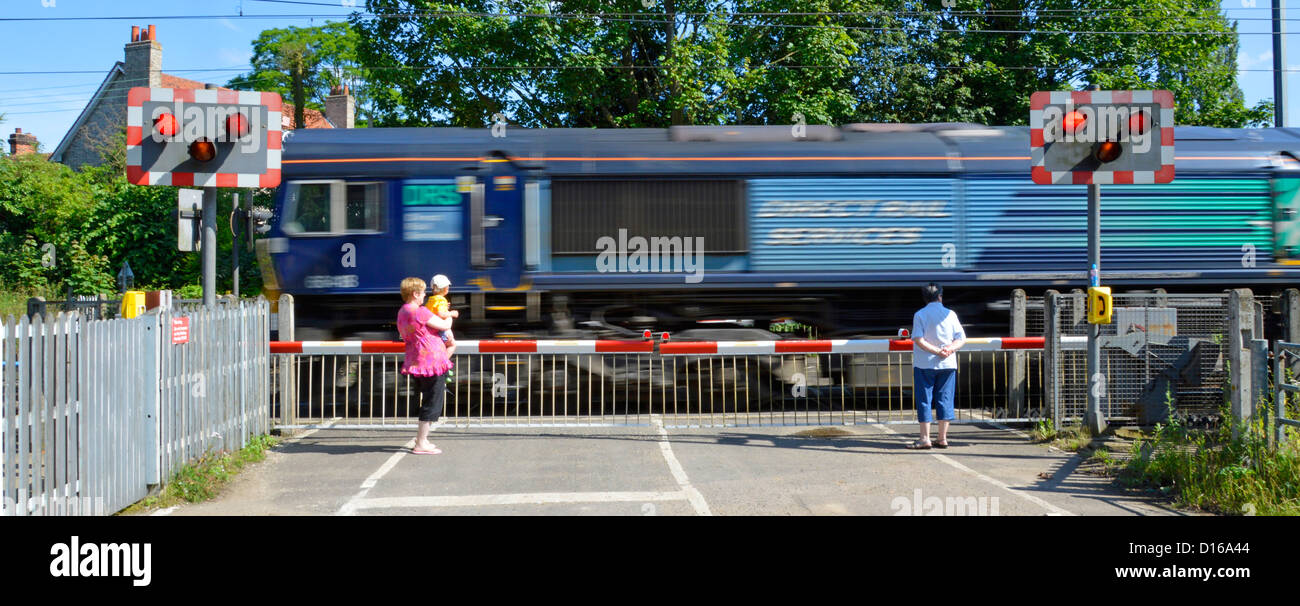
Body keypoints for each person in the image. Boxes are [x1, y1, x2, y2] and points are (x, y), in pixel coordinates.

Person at [397, 277, 454, 455]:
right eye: (422, 293)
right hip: (431, 362)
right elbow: (444, 324)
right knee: (432, 402)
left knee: (428, 400)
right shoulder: (419, 311)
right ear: (415, 294)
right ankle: (421, 442)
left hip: (416, 360)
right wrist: (450, 316)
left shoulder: (402, 311)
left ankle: (422, 438)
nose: (424, 297)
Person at [908, 283, 965, 450]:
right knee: (945, 399)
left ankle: (925, 438)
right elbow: (961, 338)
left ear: (924, 298)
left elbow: (918, 339)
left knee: (924, 400)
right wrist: (948, 349)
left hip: (924, 364)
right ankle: (942, 438)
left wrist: (936, 351)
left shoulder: (920, 314)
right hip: (947, 363)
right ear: (940, 296)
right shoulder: (951, 314)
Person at [424, 274, 458, 359]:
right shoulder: (442, 300)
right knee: (452, 344)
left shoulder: (431, 299)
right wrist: (452, 313)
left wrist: (445, 308)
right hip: (440, 330)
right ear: (445, 288)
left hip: (432, 329)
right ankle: (443, 364)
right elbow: (440, 314)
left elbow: (434, 311)